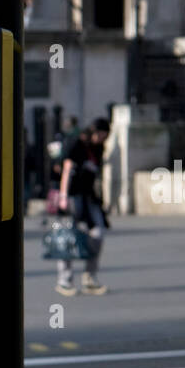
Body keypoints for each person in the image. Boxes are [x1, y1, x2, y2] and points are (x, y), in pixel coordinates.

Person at [55, 117, 110, 296]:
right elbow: (67, 169)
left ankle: (90, 277)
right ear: (95, 131)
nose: (104, 139)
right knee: (68, 237)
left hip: (89, 198)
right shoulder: (77, 143)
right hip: (71, 196)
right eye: (102, 135)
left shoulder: (98, 147)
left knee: (97, 233)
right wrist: (63, 197)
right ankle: (64, 280)